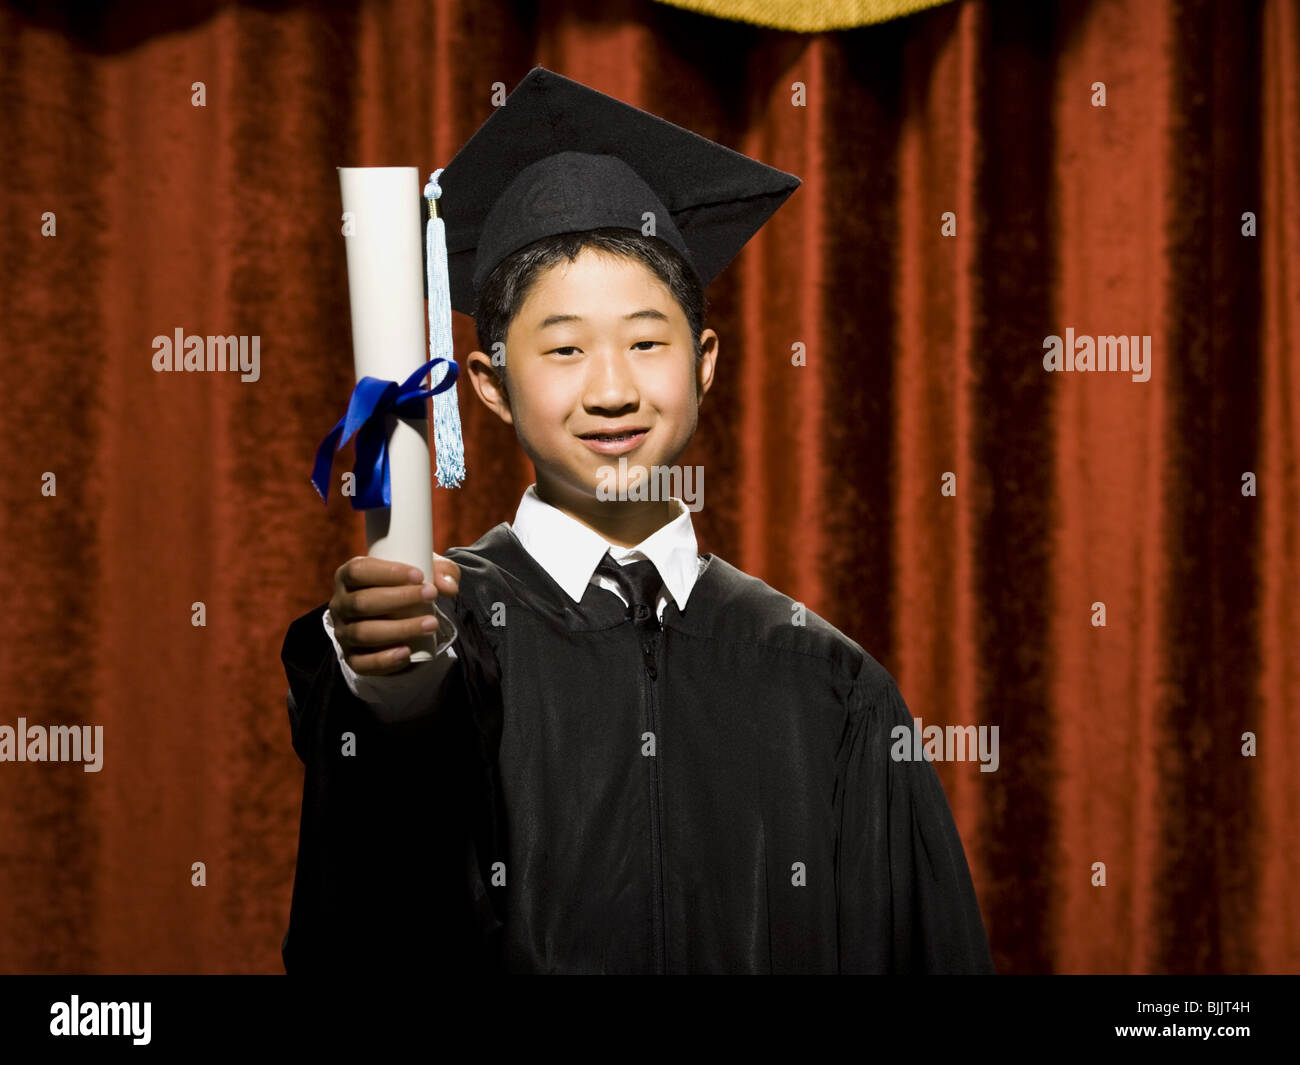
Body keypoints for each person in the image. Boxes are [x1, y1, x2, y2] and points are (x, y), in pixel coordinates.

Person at [280, 67, 994, 975]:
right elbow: (376, 832)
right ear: (491, 385)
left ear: (703, 364)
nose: (612, 388)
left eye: (646, 342)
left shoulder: (824, 679)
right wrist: (376, 674)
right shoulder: (452, 635)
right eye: (566, 348)